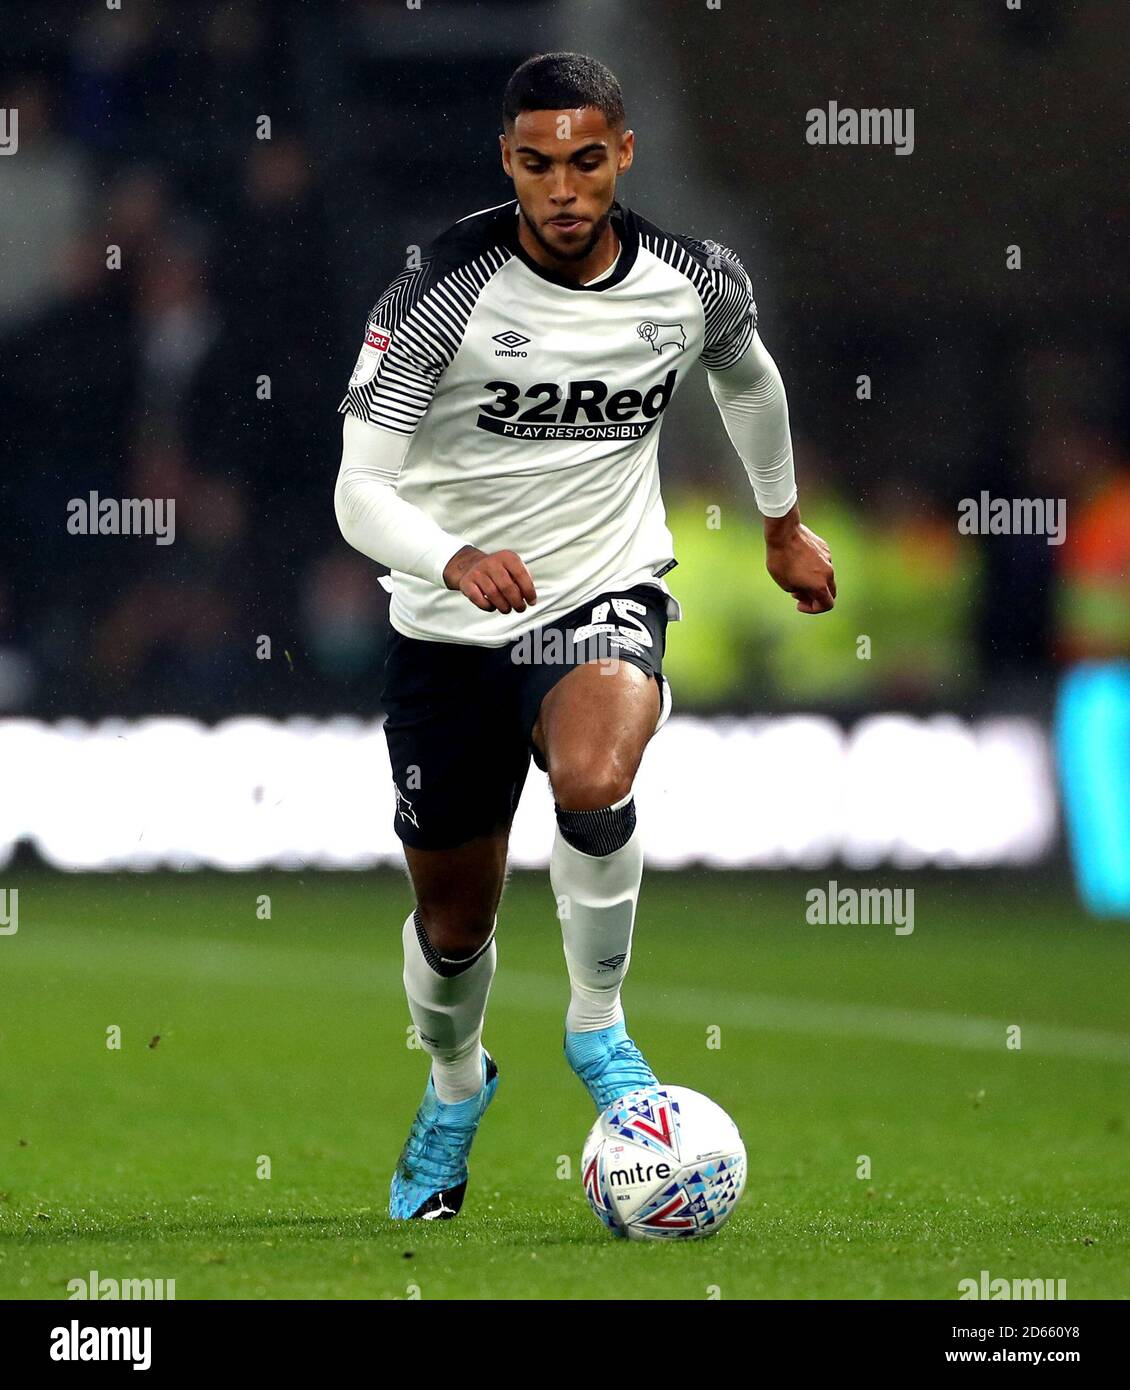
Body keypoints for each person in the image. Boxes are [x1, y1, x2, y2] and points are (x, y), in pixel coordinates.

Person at [333, 52, 835, 1220]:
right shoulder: (440, 293)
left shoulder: (690, 279)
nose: (563, 188)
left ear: (622, 154)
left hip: (602, 589)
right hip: (446, 626)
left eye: (587, 160)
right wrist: (449, 556)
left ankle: (595, 1022)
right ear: (507, 161)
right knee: (454, 927)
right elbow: (358, 490)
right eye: (537, 163)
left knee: (596, 778)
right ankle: (455, 1084)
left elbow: (745, 380)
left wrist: (781, 523)